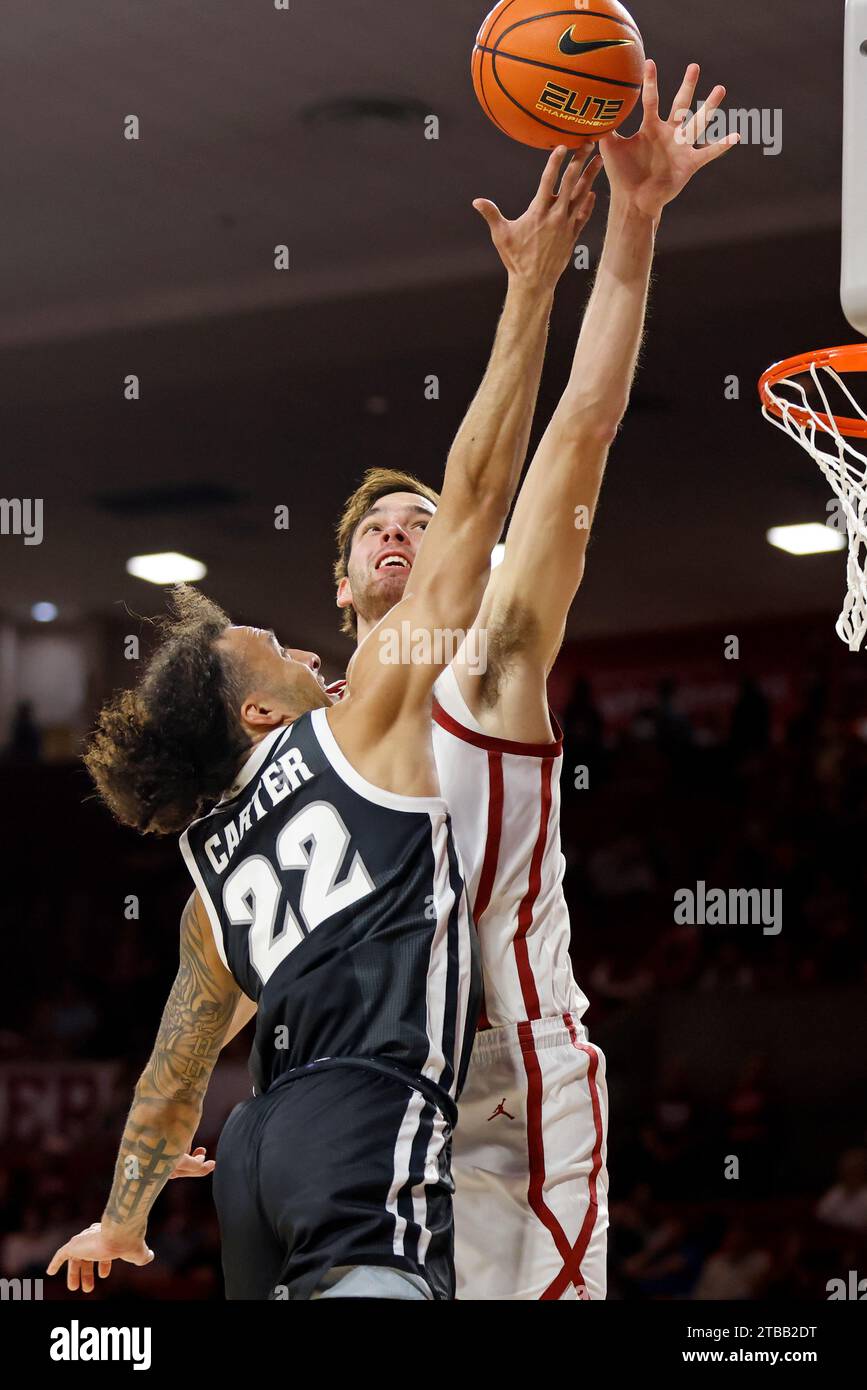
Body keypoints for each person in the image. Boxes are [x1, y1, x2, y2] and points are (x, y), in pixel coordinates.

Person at [45, 152, 600, 1302]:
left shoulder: (211, 875)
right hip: (378, 1095)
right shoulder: (360, 728)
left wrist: (122, 1215)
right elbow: (486, 481)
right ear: (259, 706)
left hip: (255, 1143)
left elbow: (176, 1063)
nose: (294, 644)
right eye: (268, 643)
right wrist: (536, 288)